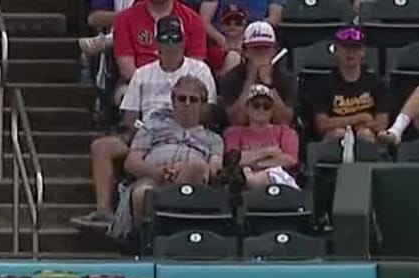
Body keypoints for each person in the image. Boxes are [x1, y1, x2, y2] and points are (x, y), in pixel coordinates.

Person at [75, 15, 218, 231]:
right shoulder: (142, 73)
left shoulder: (199, 70)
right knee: (101, 146)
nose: (171, 44)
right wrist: (148, 131)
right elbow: (129, 118)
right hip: (147, 130)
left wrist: (181, 119)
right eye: (166, 39)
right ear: (157, 42)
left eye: (175, 39)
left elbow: (208, 113)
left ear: (183, 41)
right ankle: (104, 210)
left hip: (189, 129)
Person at [121, 74, 224, 225]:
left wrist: (184, 170)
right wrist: (158, 172)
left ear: (202, 105)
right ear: (173, 101)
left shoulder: (214, 139)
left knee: (197, 167)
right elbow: (131, 162)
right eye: (182, 98)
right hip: (153, 179)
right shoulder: (151, 127)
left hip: (195, 184)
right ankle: (141, 244)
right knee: (142, 193)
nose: (187, 103)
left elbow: (215, 169)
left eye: (193, 99)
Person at [307, 26, 390, 143]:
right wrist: (360, 118)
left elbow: (381, 124)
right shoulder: (322, 85)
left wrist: (360, 126)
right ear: (336, 50)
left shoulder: (377, 83)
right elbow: (322, 124)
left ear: (363, 52)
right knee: (338, 133)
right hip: (335, 139)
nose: (350, 52)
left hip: (367, 138)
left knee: (365, 134)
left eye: (355, 47)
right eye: (345, 47)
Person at [216, 21, 296, 128]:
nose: (261, 53)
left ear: (274, 51)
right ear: (245, 51)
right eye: (256, 48)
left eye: (266, 48)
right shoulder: (231, 78)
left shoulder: (286, 78)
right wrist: (250, 79)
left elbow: (284, 121)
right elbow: (236, 121)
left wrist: (269, 84)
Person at [221, 83, 298, 188]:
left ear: (272, 110)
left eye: (266, 106)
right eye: (256, 105)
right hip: (243, 182)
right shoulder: (233, 133)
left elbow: (289, 160)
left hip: (278, 183)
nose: (261, 109)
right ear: (247, 108)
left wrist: (255, 164)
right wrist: (269, 151)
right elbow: (233, 160)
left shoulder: (285, 132)